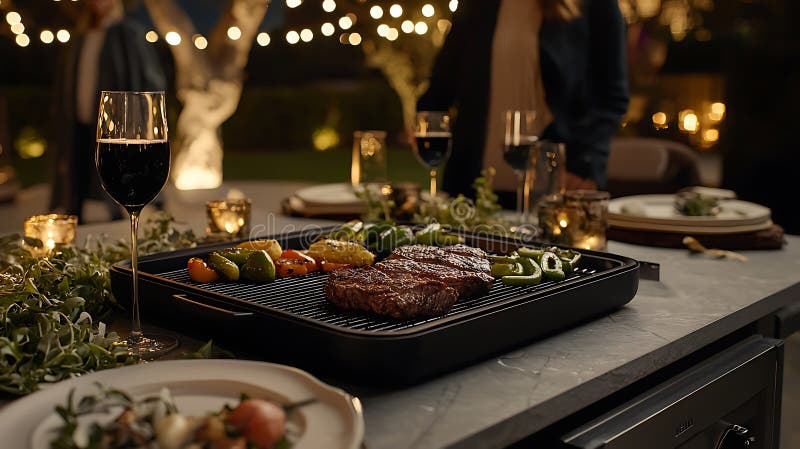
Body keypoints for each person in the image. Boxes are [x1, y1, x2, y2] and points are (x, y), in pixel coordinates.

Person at [417, 0, 629, 203]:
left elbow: (611, 99)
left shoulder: (596, 5)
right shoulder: (476, 4)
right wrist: (423, 122)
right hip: (472, 191)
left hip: (554, 191)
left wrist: (585, 163)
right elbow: (442, 85)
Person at [50, 0, 166, 222]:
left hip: (112, 123)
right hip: (79, 117)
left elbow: (148, 79)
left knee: (112, 170)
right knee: (77, 169)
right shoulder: (81, 35)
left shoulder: (128, 33)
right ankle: (75, 219)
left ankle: (117, 216)